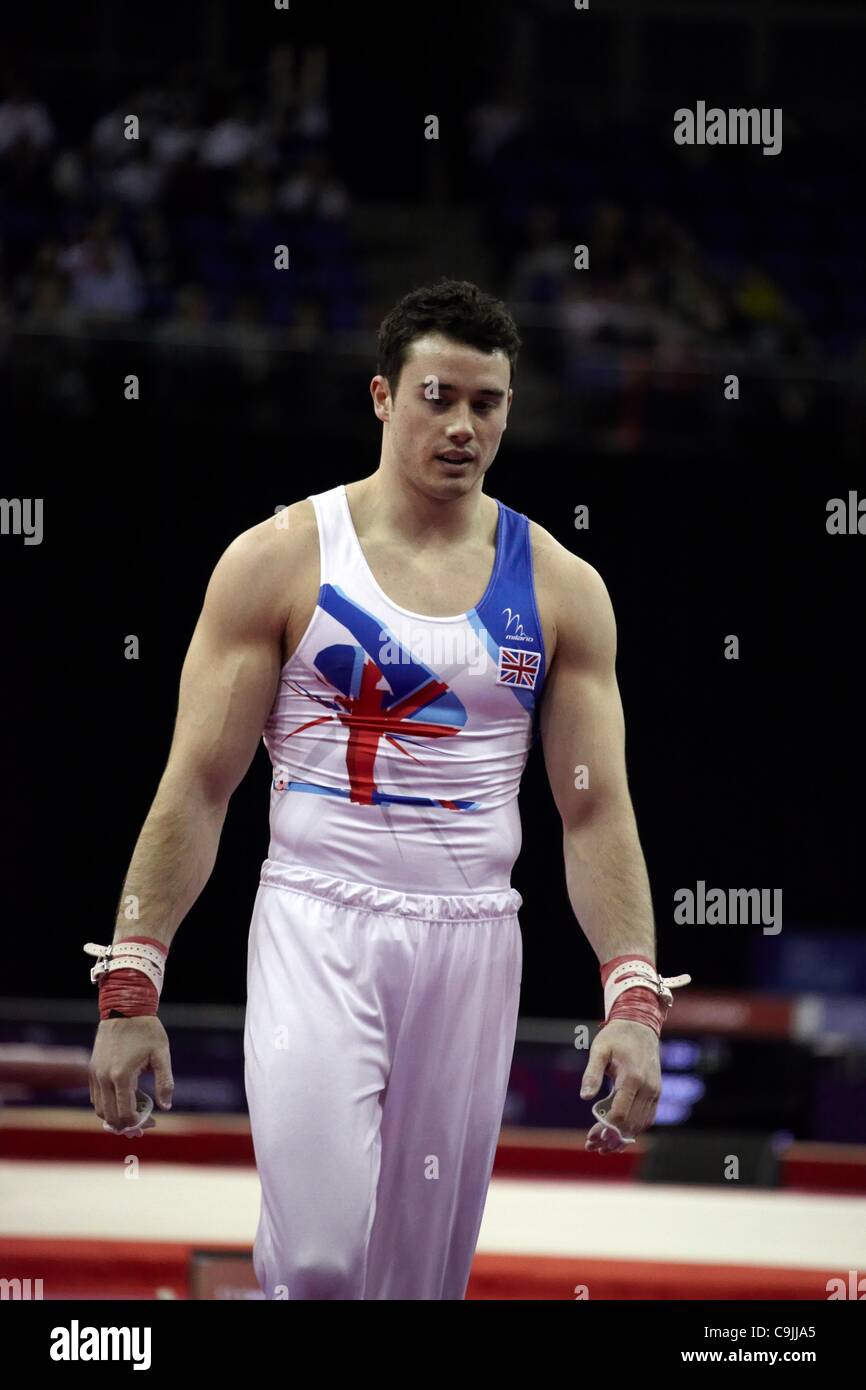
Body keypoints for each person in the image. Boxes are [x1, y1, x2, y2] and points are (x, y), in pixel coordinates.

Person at [87, 278, 688, 1299]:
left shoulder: (558, 586)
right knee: (321, 1259)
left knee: (417, 1283)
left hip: (471, 945)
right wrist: (131, 982)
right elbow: (195, 784)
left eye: (485, 404)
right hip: (318, 924)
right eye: (436, 396)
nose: (462, 426)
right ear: (380, 395)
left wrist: (630, 993)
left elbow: (593, 807)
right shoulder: (276, 562)